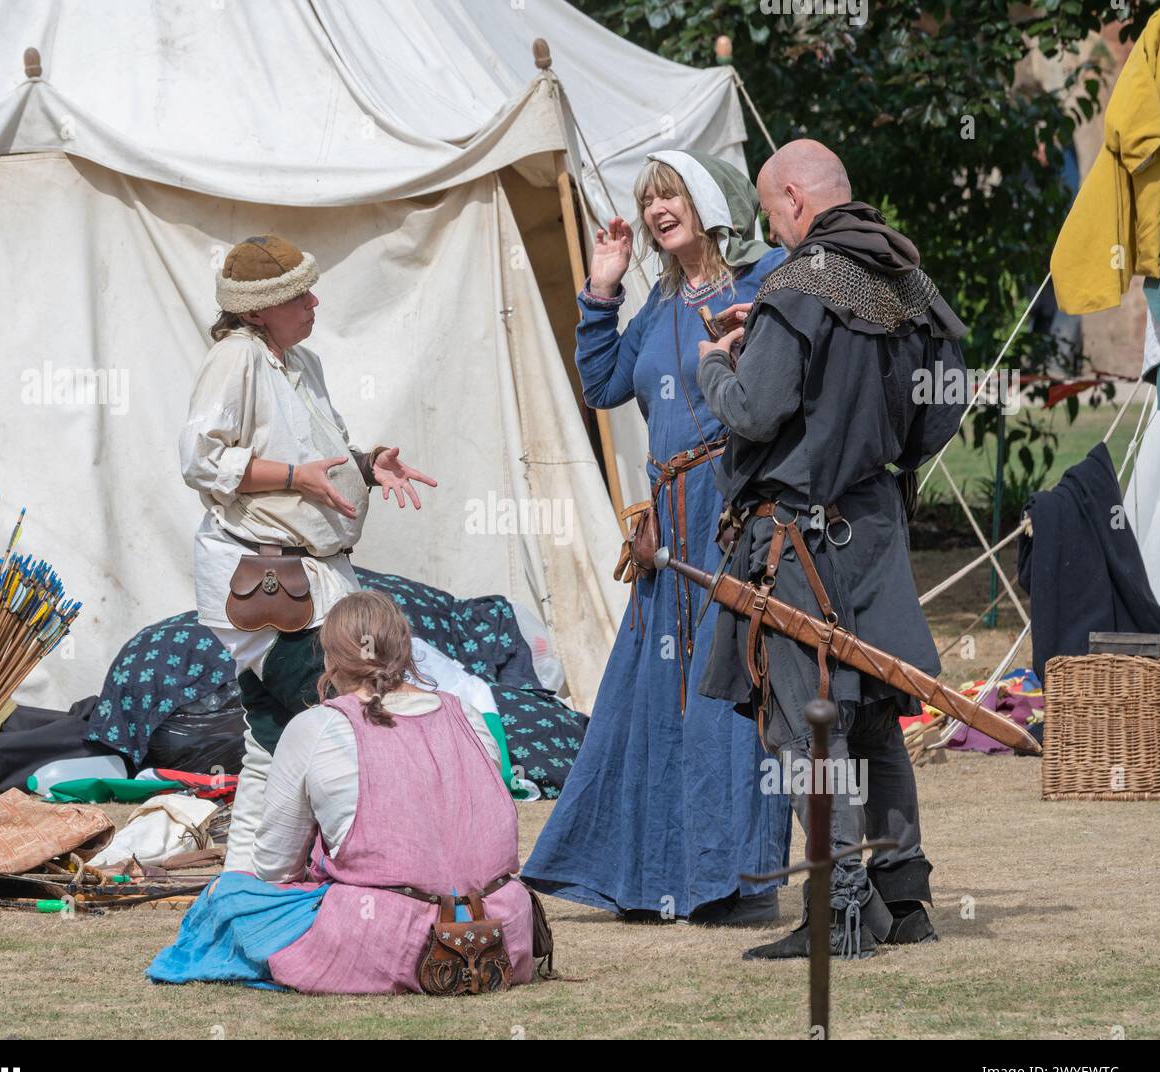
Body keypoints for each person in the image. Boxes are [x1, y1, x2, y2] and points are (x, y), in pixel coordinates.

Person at [693, 139, 966, 958]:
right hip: (874, 525)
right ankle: (903, 900)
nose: (772, 231)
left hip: (798, 538)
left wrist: (715, 362)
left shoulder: (800, 282)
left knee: (814, 723)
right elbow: (943, 401)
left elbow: (752, 409)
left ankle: (839, 911)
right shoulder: (911, 284)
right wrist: (881, 451)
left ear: (794, 201)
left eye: (772, 214)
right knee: (875, 716)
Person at [521, 151, 793, 925]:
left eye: (668, 193)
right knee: (648, 700)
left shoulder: (760, 283)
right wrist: (603, 288)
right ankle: (647, 876)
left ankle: (738, 882)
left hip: (730, 509)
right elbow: (604, 386)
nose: (654, 210)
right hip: (665, 521)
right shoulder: (657, 305)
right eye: (647, 201)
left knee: (726, 695)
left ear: (703, 200)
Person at [179, 235, 436, 871]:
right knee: (335, 712)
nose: (314, 302)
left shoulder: (302, 362)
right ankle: (364, 869)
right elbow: (200, 459)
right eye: (298, 295)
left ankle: (248, 886)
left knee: (271, 737)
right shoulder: (235, 358)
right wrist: (296, 478)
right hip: (262, 573)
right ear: (259, 309)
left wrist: (367, 466)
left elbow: (317, 453)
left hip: (314, 571)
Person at [150, 590, 534, 994]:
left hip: (389, 939)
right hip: (502, 933)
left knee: (230, 894)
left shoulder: (317, 727)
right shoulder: (466, 713)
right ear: (406, 649)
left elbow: (276, 868)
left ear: (329, 659)